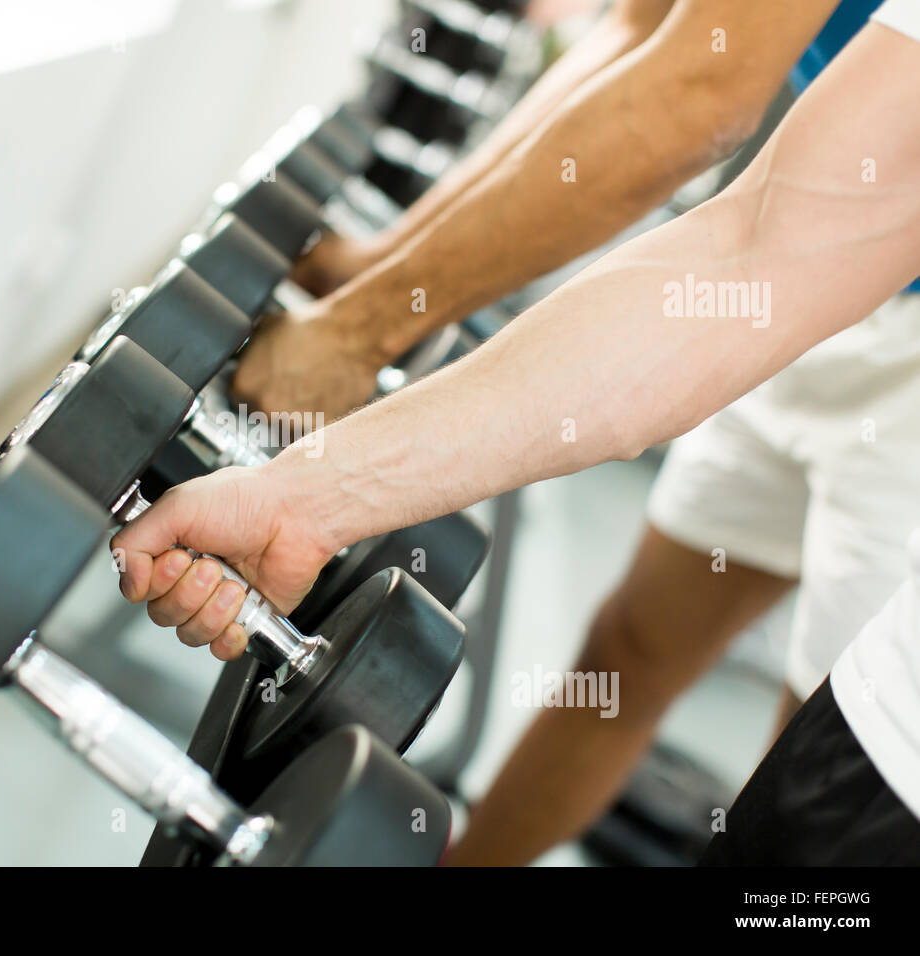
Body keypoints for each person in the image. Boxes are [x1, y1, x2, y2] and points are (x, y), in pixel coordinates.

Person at [111, 1, 920, 865]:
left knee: (818, 785)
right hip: (837, 292)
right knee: (637, 646)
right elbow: (659, 61)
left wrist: (362, 329)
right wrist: (308, 486)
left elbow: (698, 96)